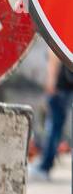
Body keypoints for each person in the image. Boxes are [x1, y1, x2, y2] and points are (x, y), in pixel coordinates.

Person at [30, 48, 73, 181]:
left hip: (61, 86)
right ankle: (45, 165)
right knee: (55, 127)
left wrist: (51, 81)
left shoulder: (58, 30)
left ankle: (44, 166)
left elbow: (54, 55)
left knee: (54, 128)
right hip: (67, 85)